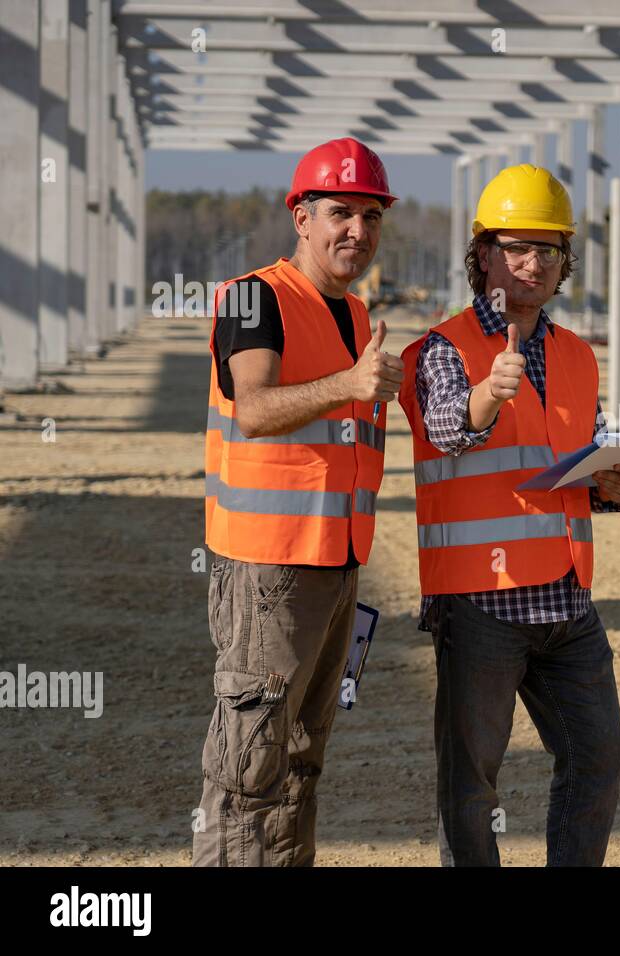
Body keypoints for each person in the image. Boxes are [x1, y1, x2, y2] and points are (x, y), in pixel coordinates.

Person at [397, 164, 620, 867]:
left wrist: (610, 485)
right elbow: (446, 427)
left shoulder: (575, 355)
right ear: (482, 254)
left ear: (566, 262)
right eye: (515, 247)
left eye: (550, 249)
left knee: (598, 754)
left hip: (566, 598)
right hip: (480, 605)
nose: (533, 263)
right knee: (470, 783)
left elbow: (575, 461)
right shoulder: (441, 349)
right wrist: (487, 395)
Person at [195, 137, 402, 866]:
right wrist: (349, 385)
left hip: (337, 569)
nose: (358, 231)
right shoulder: (256, 297)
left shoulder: (353, 314)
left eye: (371, 217)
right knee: (248, 771)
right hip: (268, 572)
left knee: (301, 764)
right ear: (301, 218)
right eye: (341, 212)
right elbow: (253, 408)